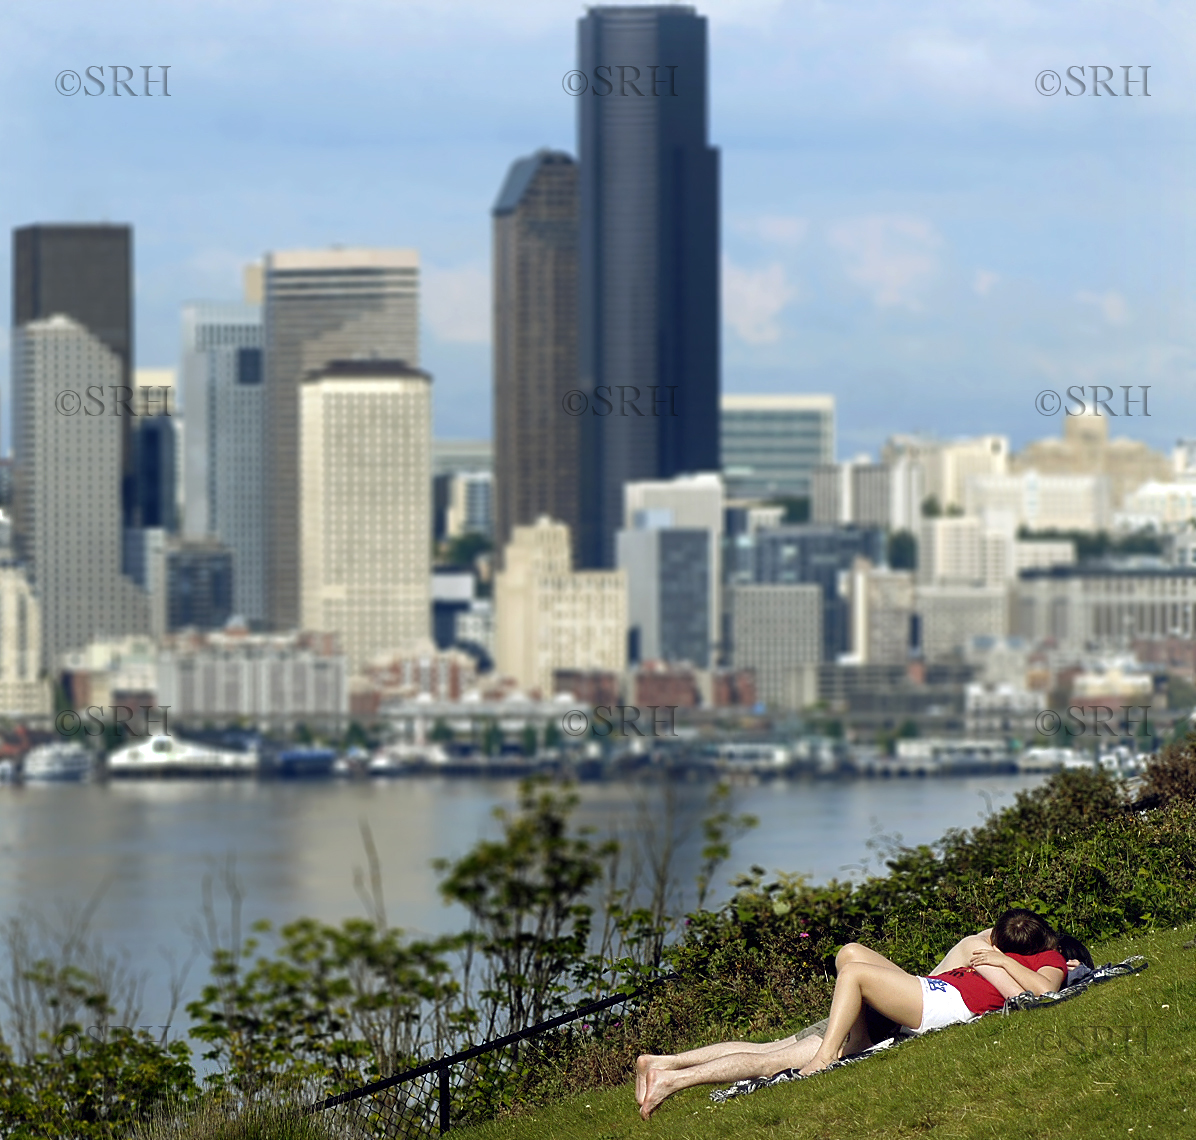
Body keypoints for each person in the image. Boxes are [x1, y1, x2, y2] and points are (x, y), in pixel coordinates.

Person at [636, 908, 1067, 1120]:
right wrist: (990, 954)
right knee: (850, 955)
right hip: (923, 993)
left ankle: (671, 1074)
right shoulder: (991, 946)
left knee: (782, 1048)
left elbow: (1046, 989)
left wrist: (998, 960)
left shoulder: (1045, 957)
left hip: (934, 1002)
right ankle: (663, 1066)